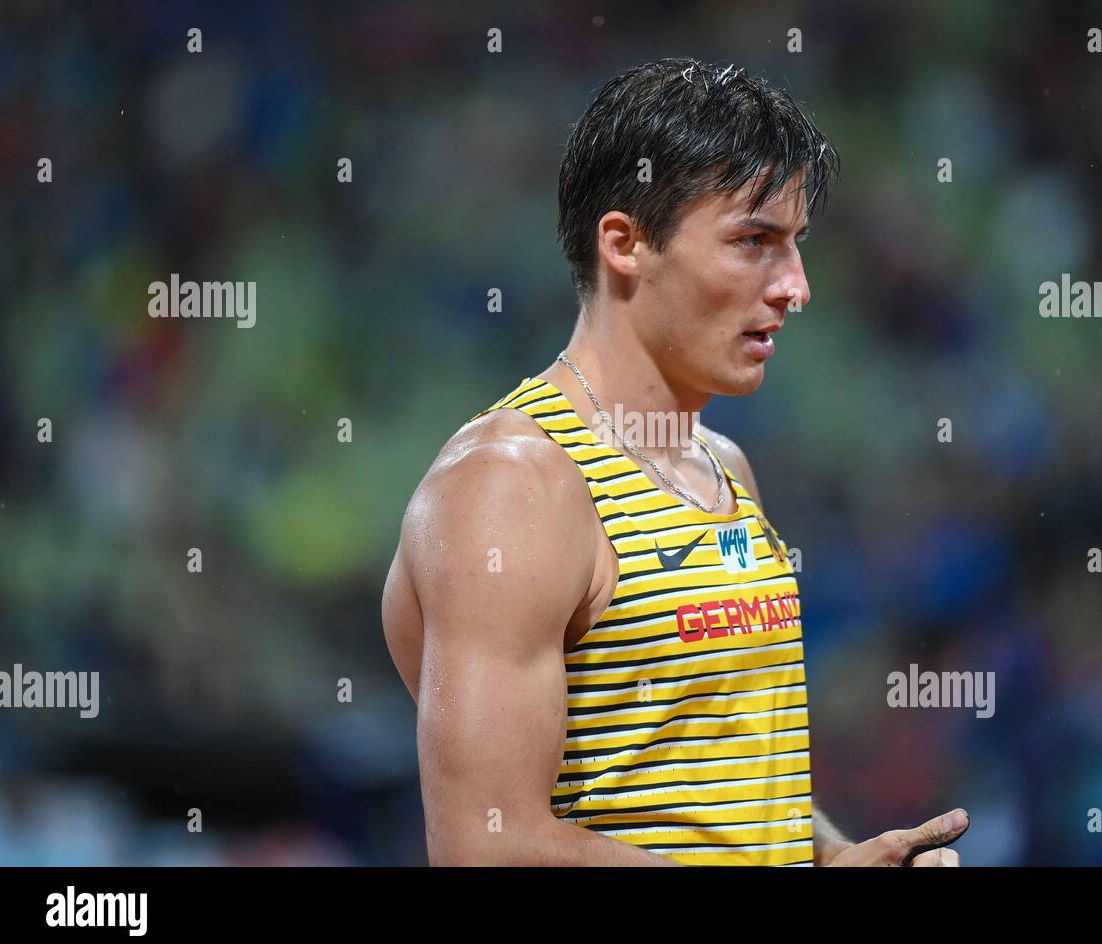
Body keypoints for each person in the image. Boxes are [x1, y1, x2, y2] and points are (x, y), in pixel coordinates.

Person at [382, 57, 969, 865]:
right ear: (625, 245)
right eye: (754, 242)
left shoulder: (726, 468)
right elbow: (490, 847)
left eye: (794, 246)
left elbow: (721, 795)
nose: (796, 287)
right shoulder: (512, 486)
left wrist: (834, 856)